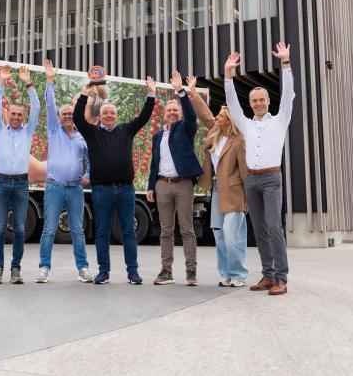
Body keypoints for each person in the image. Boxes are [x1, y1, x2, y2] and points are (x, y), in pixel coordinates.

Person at [223, 43, 295, 296]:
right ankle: (267, 275)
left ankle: (281, 278)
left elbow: (288, 96)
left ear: (268, 101)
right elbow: (232, 103)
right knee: (260, 230)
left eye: (261, 99)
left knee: (274, 227)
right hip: (251, 182)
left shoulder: (280, 119)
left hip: (271, 178)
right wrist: (228, 76)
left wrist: (286, 64)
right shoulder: (245, 124)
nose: (258, 103)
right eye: (254, 100)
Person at [73, 73, 156, 285]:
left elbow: (144, 117)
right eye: (106, 113)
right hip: (102, 190)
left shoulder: (126, 130)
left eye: (112, 113)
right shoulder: (92, 133)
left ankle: (133, 272)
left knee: (128, 231)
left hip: (126, 189)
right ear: (100, 117)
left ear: (116, 116)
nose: (109, 115)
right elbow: (77, 118)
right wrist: (85, 92)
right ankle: (104, 272)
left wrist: (151, 94)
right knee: (102, 232)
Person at [186, 75, 249, 288]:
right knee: (219, 234)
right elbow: (204, 112)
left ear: (228, 120)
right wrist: (193, 92)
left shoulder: (239, 140)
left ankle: (238, 274)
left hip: (235, 192)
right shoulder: (215, 131)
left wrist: (247, 198)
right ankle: (226, 274)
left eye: (221, 116)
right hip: (217, 190)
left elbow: (245, 171)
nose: (217, 117)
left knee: (233, 236)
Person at [35, 59, 94, 284]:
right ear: (59, 118)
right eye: (65, 114)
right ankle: (43, 268)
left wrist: (89, 174)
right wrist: (50, 82)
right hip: (55, 186)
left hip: (76, 188)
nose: (68, 116)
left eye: (71, 114)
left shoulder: (81, 138)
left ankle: (83, 268)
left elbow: (90, 160)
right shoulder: (53, 130)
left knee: (78, 230)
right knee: (49, 228)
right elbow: (50, 105)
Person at [146, 70, 203, 286]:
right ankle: (166, 271)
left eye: (174, 109)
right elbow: (154, 162)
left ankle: (191, 272)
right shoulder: (158, 136)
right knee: (166, 231)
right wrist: (151, 185)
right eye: (168, 110)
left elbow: (190, 113)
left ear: (179, 114)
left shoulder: (185, 129)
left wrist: (180, 91)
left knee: (187, 229)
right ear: (163, 114)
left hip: (183, 185)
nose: (171, 112)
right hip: (162, 185)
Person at [0, 65, 40, 285]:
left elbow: (36, 107)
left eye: (20, 114)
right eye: (13, 114)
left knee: (19, 229)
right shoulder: (0, 130)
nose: (17, 117)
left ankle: (16, 270)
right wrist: (1, 82)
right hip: (1, 184)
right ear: (7, 115)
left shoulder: (28, 132)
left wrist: (28, 83)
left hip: (20, 185)